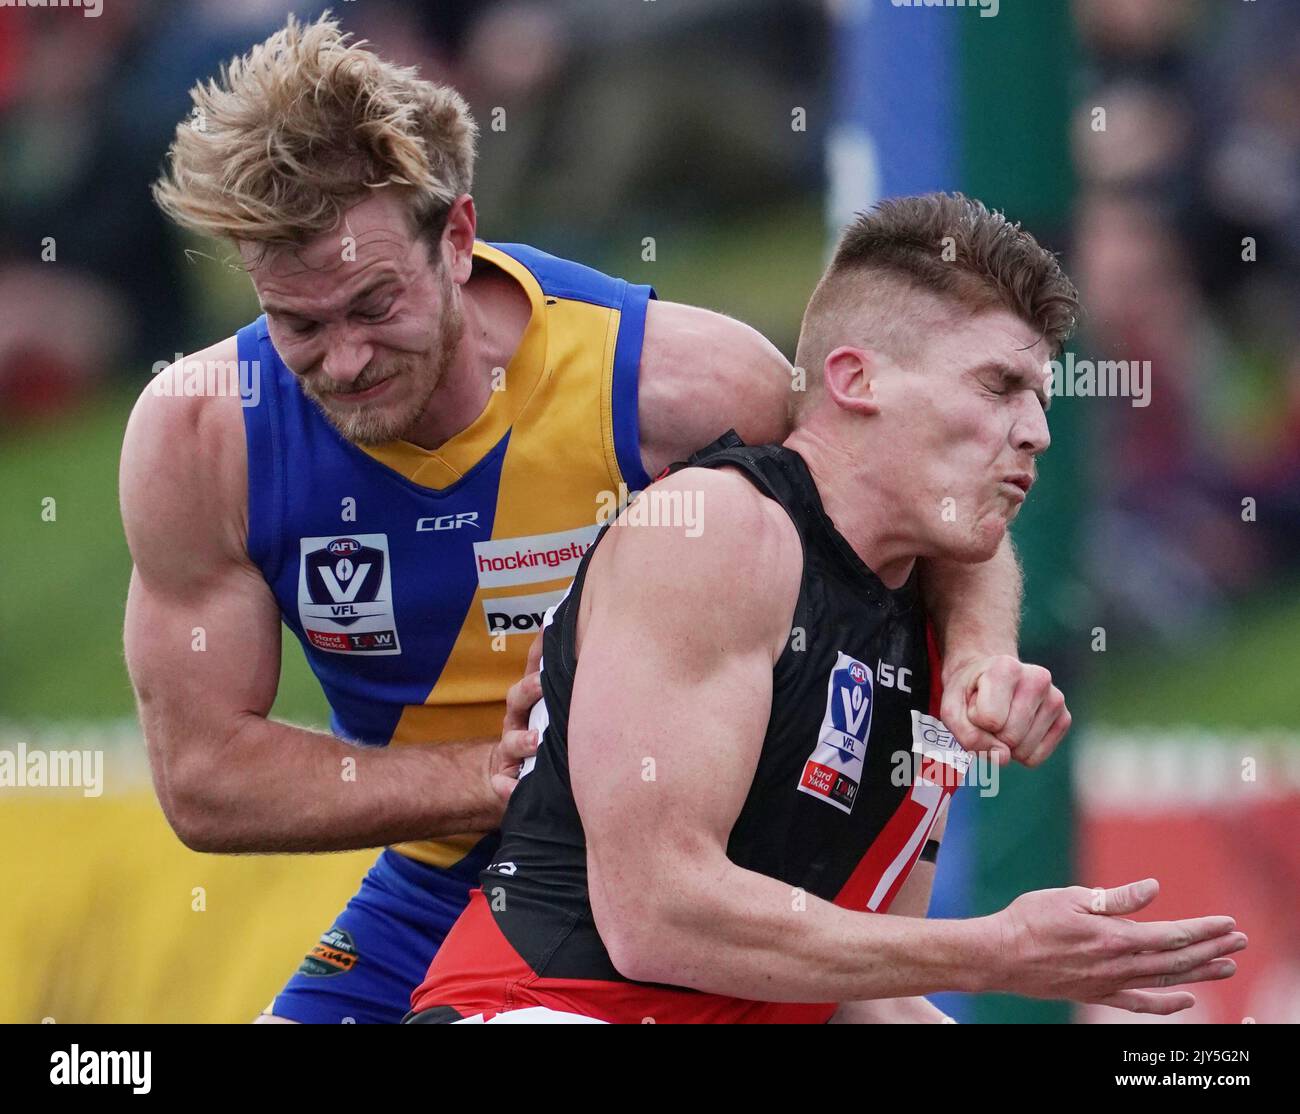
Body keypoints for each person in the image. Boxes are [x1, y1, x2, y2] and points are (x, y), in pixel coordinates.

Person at [121, 14, 1067, 1025]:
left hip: (697, 882)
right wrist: (487, 778)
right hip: (441, 892)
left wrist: (978, 654)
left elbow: (920, 493)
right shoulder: (202, 433)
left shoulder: (683, 384)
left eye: (372, 304)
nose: (343, 359)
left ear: (456, 236)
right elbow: (205, 778)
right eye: (298, 323)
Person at [406, 195, 1245, 1023]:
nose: (1036, 432)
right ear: (856, 377)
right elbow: (654, 918)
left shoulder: (944, 638)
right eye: (999, 386)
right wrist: (1001, 950)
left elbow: (848, 984)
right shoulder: (720, 532)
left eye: (1042, 399)